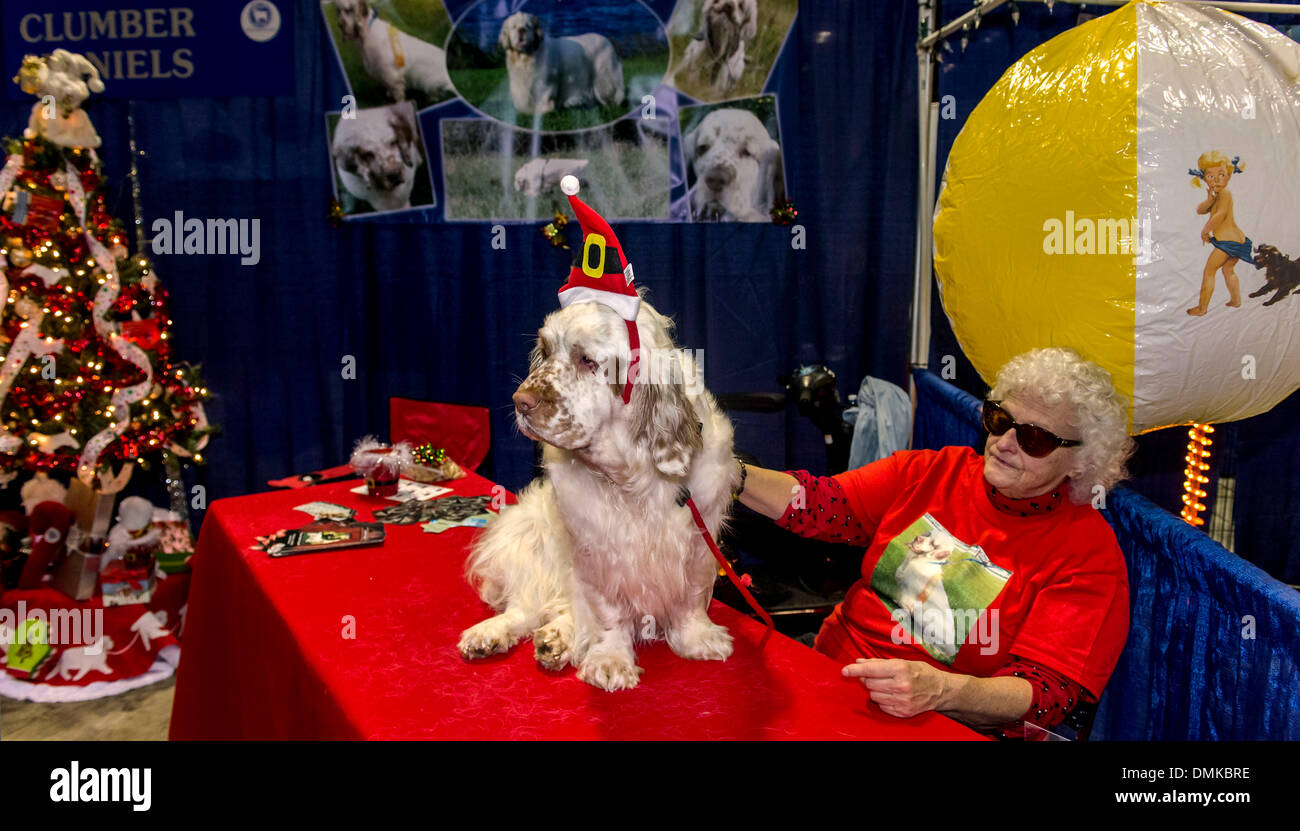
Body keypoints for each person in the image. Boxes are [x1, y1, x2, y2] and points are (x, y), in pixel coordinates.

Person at [735, 347, 1134, 739]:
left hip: (942, 719)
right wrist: (730, 474)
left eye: (1034, 438)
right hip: (832, 671)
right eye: (999, 419)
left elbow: (1045, 693)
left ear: (1081, 461)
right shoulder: (934, 471)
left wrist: (943, 690)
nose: (1004, 442)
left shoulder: (1088, 555)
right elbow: (821, 504)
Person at [1187, 150, 1250, 316]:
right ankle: (1236, 300)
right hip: (1238, 241)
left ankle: (1202, 308)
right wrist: (1209, 199)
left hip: (1228, 242)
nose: (1216, 180)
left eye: (1221, 175)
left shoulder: (1225, 193)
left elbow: (1219, 215)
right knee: (1228, 270)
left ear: (1229, 175)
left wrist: (1205, 230)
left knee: (1209, 271)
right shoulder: (1217, 195)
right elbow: (1200, 210)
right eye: (1210, 176)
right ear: (1204, 178)